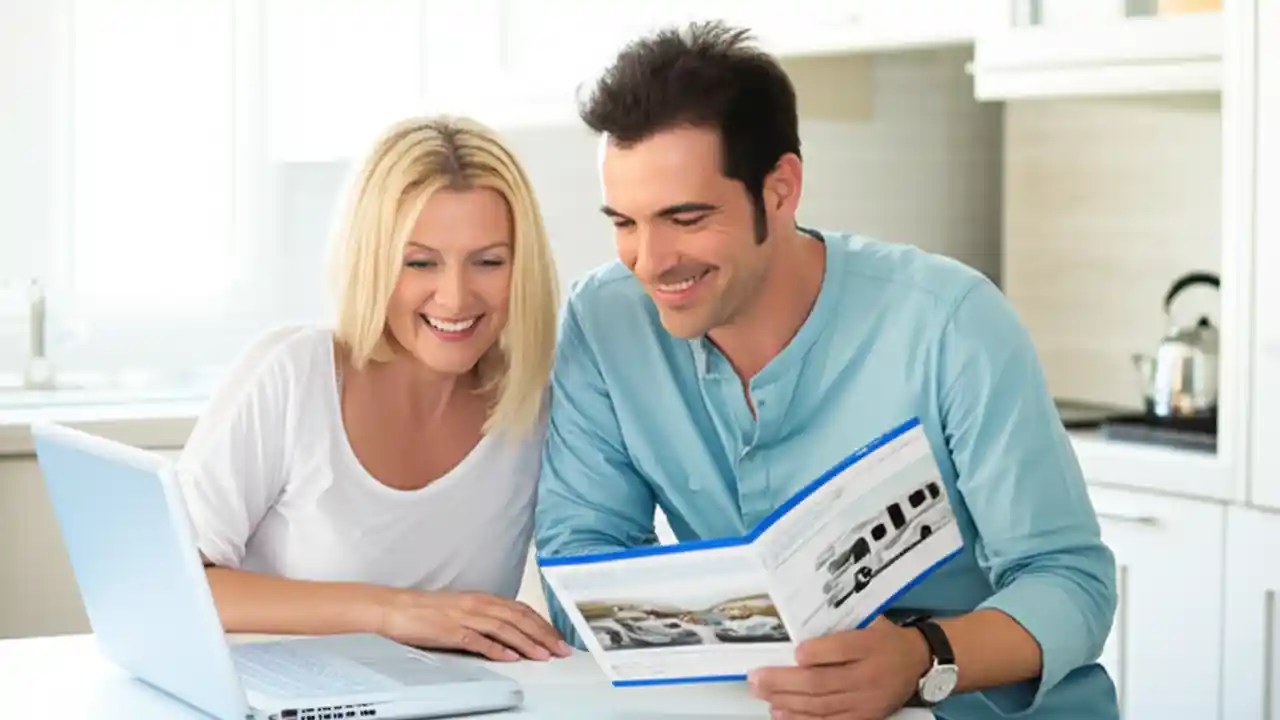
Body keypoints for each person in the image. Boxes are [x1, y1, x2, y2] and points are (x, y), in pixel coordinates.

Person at [535, 21, 1118, 719]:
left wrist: (922, 657)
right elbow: (583, 561)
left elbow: (1071, 582)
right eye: (624, 222)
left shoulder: (950, 323)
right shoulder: (604, 321)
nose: (649, 261)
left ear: (780, 190)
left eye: (685, 218)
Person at [178, 116, 571, 663]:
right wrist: (395, 613)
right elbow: (176, 584)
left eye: (487, 262)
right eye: (419, 262)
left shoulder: (537, 405)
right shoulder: (295, 376)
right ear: (373, 261)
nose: (455, 297)